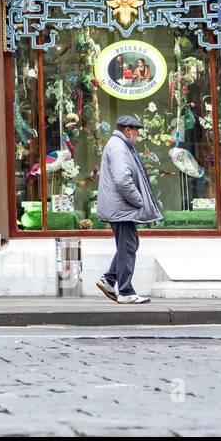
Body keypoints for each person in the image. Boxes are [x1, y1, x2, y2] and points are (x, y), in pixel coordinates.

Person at [94, 114, 163, 304]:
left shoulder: (121, 145)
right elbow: (123, 180)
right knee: (128, 247)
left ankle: (109, 280)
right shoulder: (118, 147)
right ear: (128, 130)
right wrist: (139, 200)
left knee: (129, 245)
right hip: (122, 208)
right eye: (137, 132)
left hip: (121, 207)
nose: (138, 136)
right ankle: (125, 291)